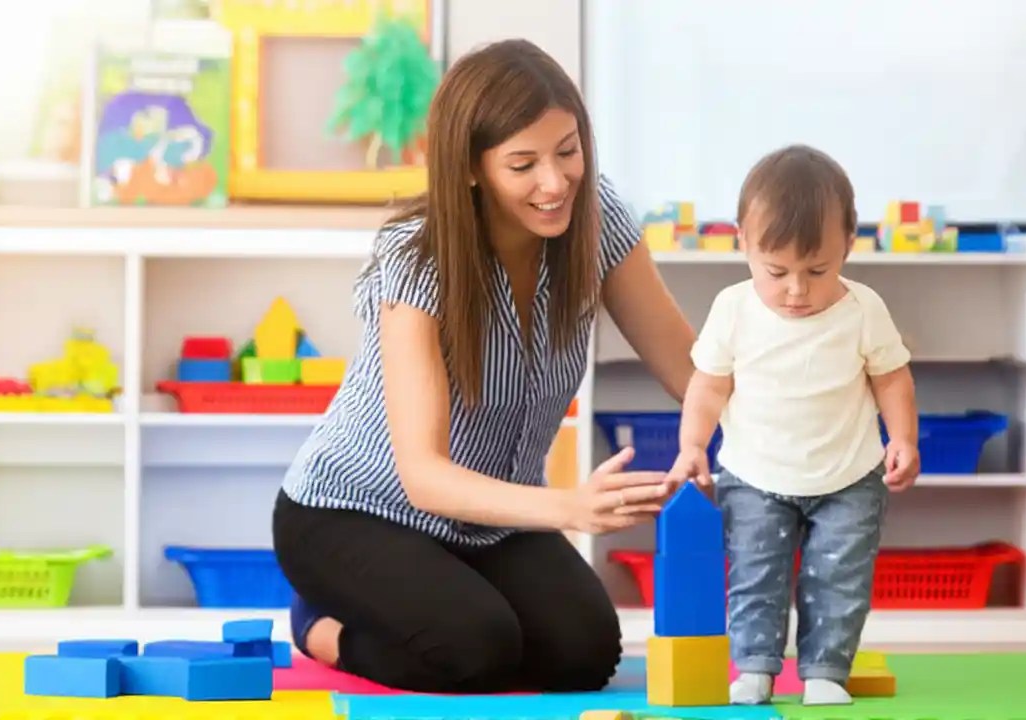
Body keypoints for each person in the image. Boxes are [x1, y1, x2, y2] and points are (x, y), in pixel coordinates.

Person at [272, 39, 696, 694]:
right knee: (472, 650)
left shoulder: (597, 217)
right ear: (472, 168)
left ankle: (441, 601)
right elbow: (424, 477)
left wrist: (803, 428)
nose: (555, 183)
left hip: (490, 517)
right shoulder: (418, 260)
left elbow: (689, 371)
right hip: (353, 511)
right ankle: (320, 627)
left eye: (568, 150)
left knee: (584, 653)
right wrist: (568, 506)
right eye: (523, 164)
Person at [666, 145, 920, 706]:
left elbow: (892, 378)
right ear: (744, 243)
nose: (797, 290)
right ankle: (754, 666)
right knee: (756, 573)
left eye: (818, 270)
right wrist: (691, 446)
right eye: (776, 271)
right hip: (754, 475)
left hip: (850, 478)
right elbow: (708, 386)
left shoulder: (863, 309)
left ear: (848, 244)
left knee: (840, 579)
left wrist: (902, 437)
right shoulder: (732, 309)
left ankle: (826, 669)